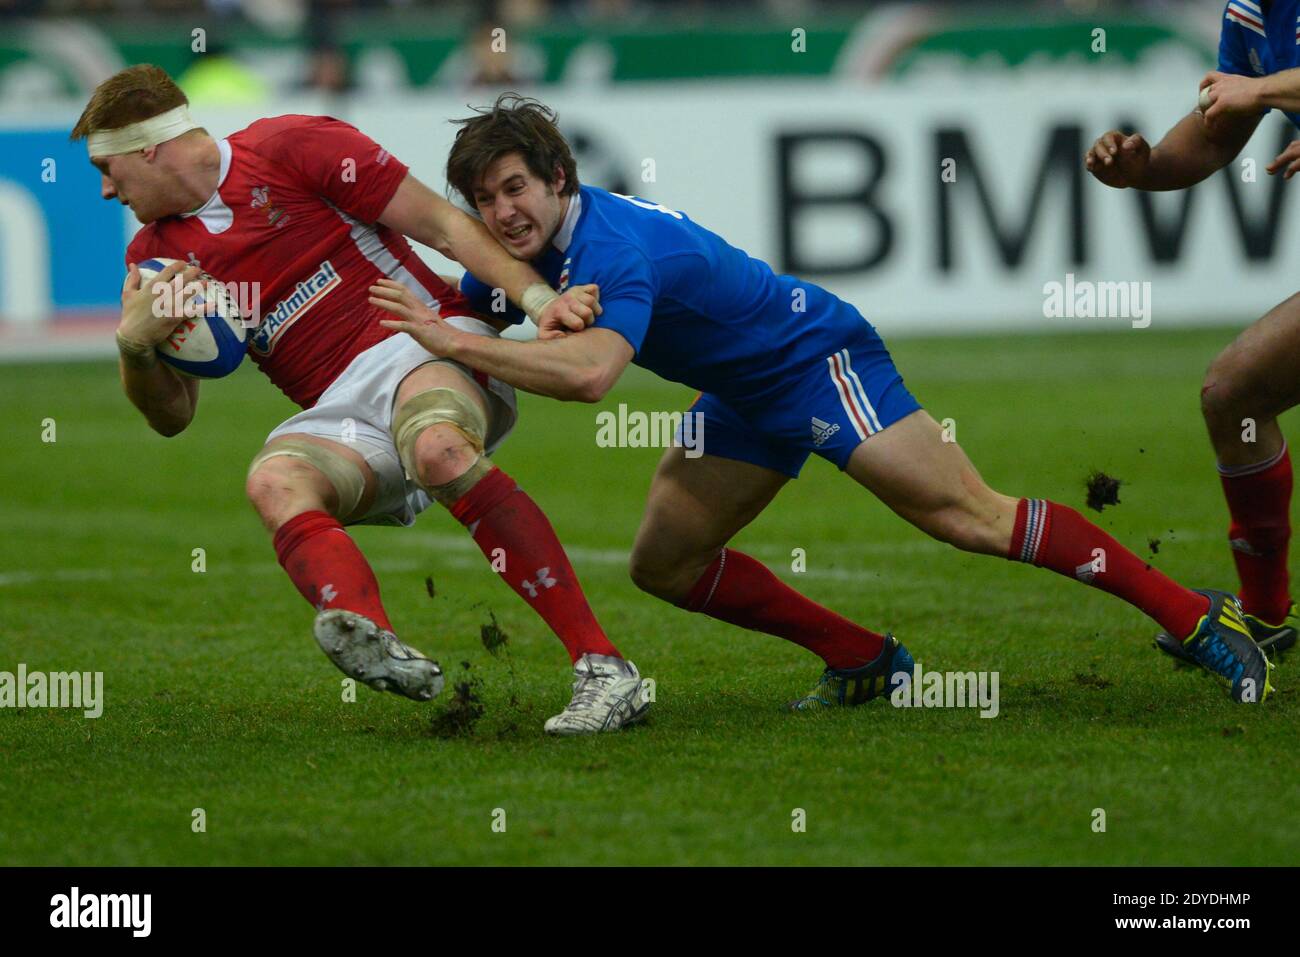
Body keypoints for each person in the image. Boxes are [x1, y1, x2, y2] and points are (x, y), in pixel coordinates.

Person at [372, 93, 1273, 707]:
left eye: (516, 187)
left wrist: (453, 344)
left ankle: (1198, 616)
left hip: (814, 357)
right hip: (742, 390)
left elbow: (593, 374)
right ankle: (862, 659)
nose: (502, 213)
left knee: (967, 516)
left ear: (558, 178)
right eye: (485, 200)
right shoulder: (534, 255)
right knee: (665, 563)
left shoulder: (610, 250)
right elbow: (459, 299)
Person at [73, 65, 650, 735]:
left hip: (427, 340)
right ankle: (370, 635)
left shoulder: (291, 145)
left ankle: (605, 666)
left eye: (108, 167)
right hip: (343, 409)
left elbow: (443, 225)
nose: (106, 188)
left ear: (150, 147)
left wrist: (539, 300)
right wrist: (134, 349)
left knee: (436, 445)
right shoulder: (154, 262)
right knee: (273, 479)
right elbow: (173, 418)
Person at [1085, 0, 1300, 666]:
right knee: (1233, 393)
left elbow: (1245, 96)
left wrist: (1259, 89)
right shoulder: (1253, 14)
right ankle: (1266, 615)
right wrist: (1140, 167)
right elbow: (1215, 135)